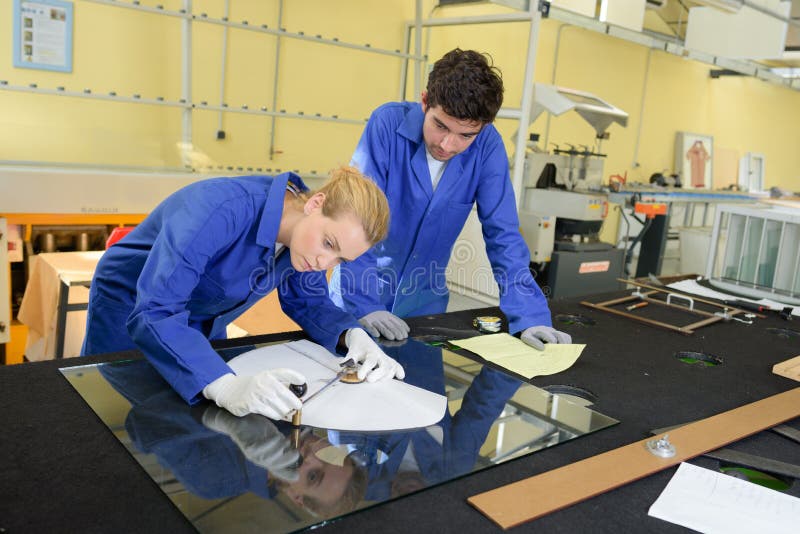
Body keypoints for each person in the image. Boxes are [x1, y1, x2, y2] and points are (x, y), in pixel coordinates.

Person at [82, 166, 405, 420]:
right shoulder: (218, 208)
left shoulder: (304, 242)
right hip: (131, 304)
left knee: (197, 412)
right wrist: (223, 385)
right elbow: (156, 309)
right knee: (118, 411)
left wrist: (352, 335)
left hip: (204, 313)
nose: (325, 262)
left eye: (339, 259)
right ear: (315, 204)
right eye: (329, 244)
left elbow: (309, 300)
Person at [332, 48, 571, 349]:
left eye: (465, 135)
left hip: (424, 306)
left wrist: (530, 315)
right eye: (440, 126)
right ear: (424, 102)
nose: (447, 144)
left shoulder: (487, 147)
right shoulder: (386, 125)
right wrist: (365, 303)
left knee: (421, 392)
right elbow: (355, 218)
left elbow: (504, 235)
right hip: (360, 293)